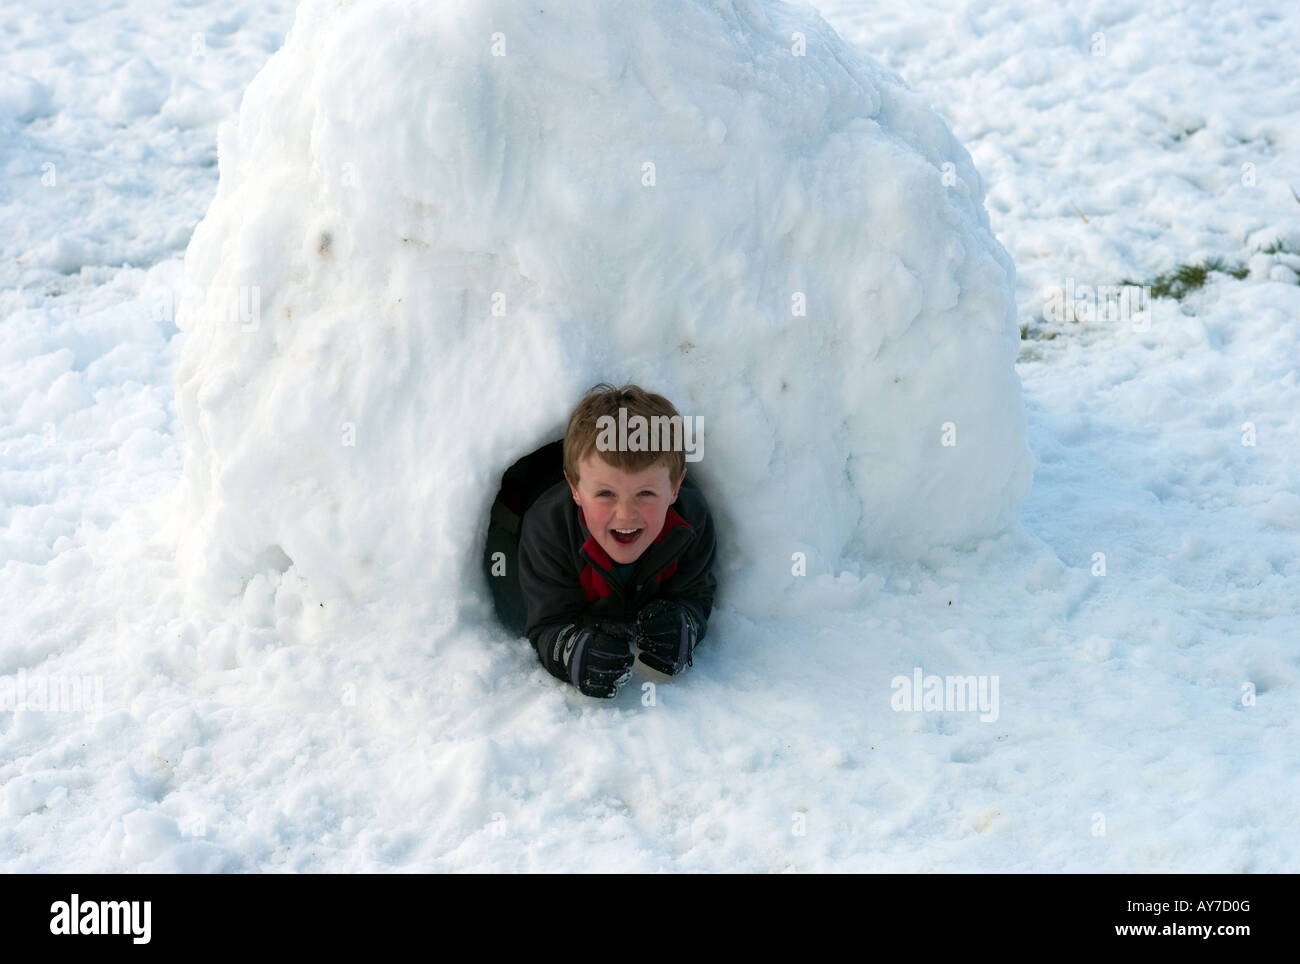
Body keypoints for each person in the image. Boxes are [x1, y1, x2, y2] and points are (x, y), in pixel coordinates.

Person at [487, 383, 717, 698]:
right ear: (575, 488)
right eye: (606, 493)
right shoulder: (548, 530)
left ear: (676, 487)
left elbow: (696, 592)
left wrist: (684, 626)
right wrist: (572, 652)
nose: (625, 515)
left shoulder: (691, 522)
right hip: (529, 499)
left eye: (645, 493)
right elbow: (546, 621)